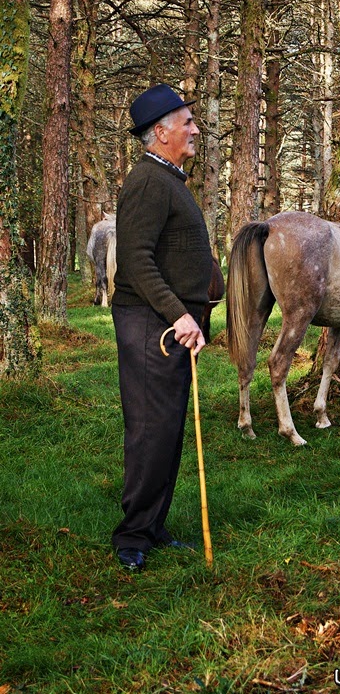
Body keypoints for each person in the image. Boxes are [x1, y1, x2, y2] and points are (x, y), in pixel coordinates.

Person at [111, 83, 213, 571]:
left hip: (170, 326)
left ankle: (152, 525)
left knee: (168, 428)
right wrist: (180, 315)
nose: (195, 129)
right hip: (151, 324)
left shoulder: (168, 177)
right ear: (160, 131)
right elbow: (135, 260)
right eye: (187, 122)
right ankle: (131, 536)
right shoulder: (149, 181)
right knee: (151, 430)